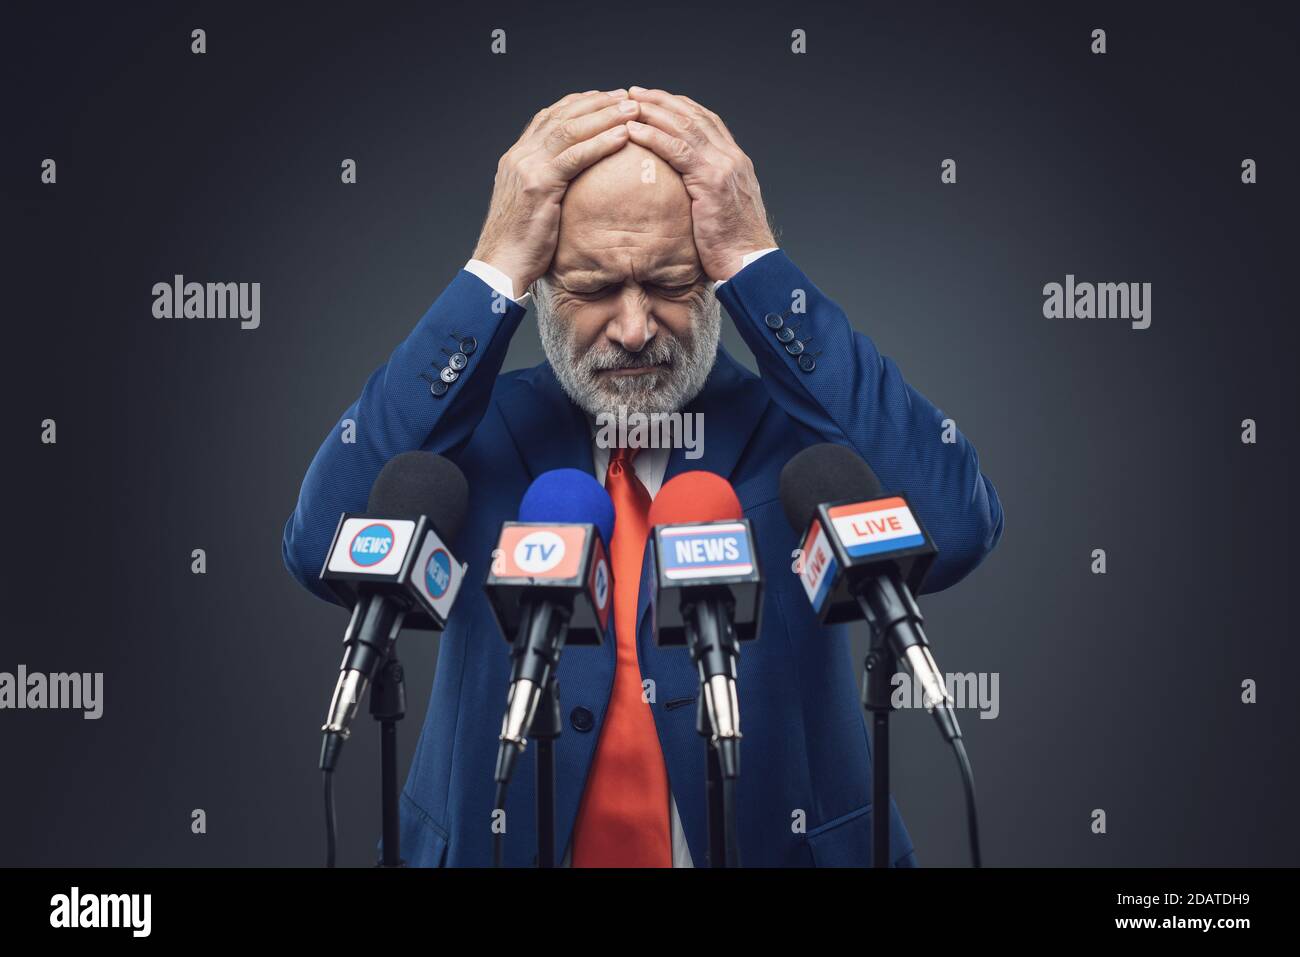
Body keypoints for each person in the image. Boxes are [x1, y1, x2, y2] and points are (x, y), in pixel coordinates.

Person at [283, 86, 1004, 867]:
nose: (633, 330)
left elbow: (955, 526)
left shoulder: (803, 432)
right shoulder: (474, 430)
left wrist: (757, 261)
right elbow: (324, 545)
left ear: (714, 275)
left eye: (671, 284)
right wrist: (491, 269)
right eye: (593, 289)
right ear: (542, 281)